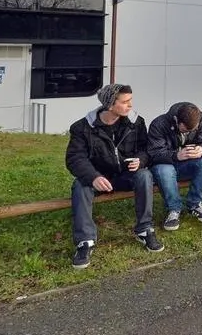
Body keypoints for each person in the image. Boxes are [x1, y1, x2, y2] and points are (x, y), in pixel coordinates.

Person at [65, 84, 163, 269]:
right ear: (110, 105)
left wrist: (140, 161)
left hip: (126, 175)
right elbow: (75, 158)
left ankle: (145, 229)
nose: (130, 105)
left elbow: (146, 150)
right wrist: (93, 177)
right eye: (125, 102)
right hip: (99, 178)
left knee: (144, 175)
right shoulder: (82, 127)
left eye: (131, 100)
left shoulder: (137, 123)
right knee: (80, 185)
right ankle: (85, 242)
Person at [147, 103, 202, 231]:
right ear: (177, 120)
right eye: (185, 130)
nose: (189, 133)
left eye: (193, 130)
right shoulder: (158, 124)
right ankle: (174, 209)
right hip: (165, 164)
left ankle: (194, 204)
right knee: (164, 170)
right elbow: (154, 154)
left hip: (187, 164)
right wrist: (176, 155)